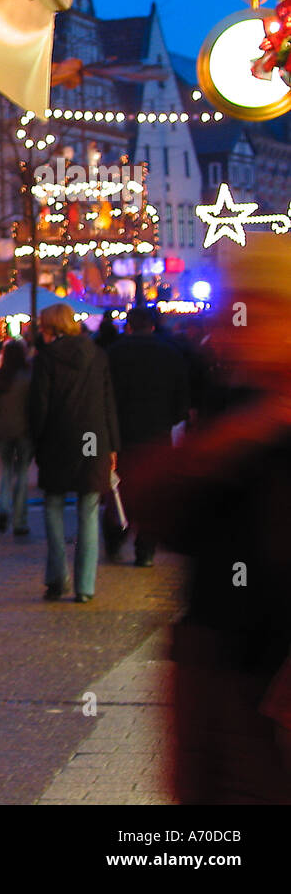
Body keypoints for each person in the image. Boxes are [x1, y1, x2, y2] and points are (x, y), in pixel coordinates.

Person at [134, 235, 291, 803]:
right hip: (221, 686)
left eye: (251, 314)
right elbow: (157, 514)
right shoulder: (238, 403)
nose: (227, 333)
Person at [29, 303, 119, 603]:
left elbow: (39, 407)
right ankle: (86, 585)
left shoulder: (45, 360)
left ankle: (57, 577)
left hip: (57, 439)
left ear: (49, 327)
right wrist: (113, 444)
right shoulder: (98, 355)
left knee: (53, 507)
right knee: (89, 510)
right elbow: (108, 401)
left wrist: (35, 441)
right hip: (94, 438)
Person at [106, 306, 189, 567]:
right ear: (152, 326)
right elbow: (181, 398)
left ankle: (115, 539)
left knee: (120, 488)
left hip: (122, 432)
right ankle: (146, 549)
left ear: (128, 326)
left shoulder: (113, 354)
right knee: (153, 490)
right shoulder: (170, 354)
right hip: (157, 431)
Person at [0, 340, 32, 538]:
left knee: (6, 471)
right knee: (22, 474)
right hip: (25, 430)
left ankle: (3, 508)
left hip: (2, 430)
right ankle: (19, 520)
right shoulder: (29, 377)